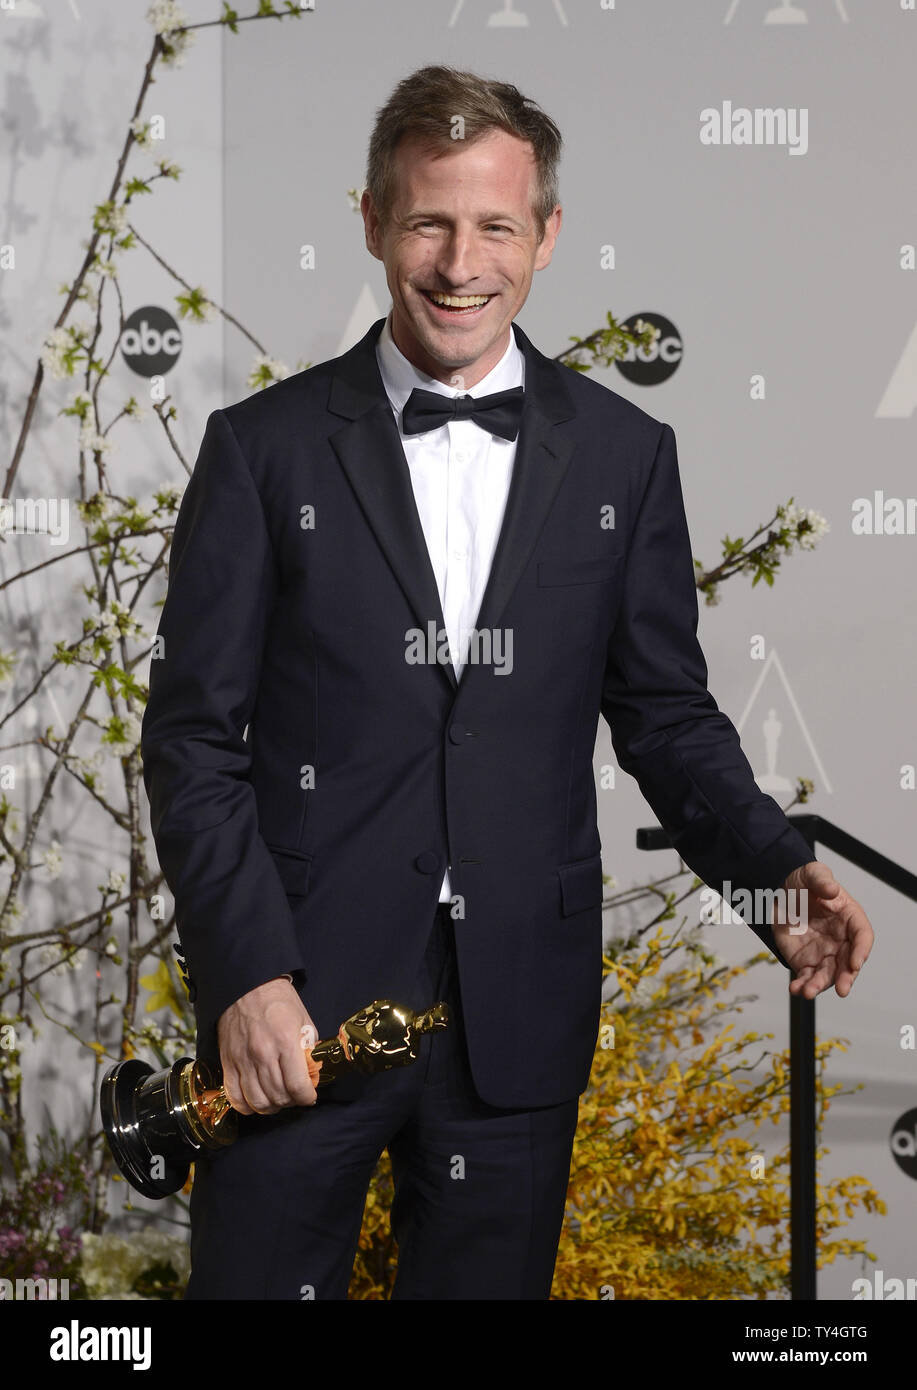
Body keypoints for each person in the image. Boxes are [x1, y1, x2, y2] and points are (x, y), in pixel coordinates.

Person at [140, 64, 874, 1301]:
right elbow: (192, 739)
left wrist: (766, 869)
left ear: (543, 238)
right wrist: (249, 976)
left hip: (516, 1020)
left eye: (492, 225)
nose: (457, 261)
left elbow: (663, 713)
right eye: (427, 220)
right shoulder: (258, 451)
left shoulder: (625, 455)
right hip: (297, 1011)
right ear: (372, 221)